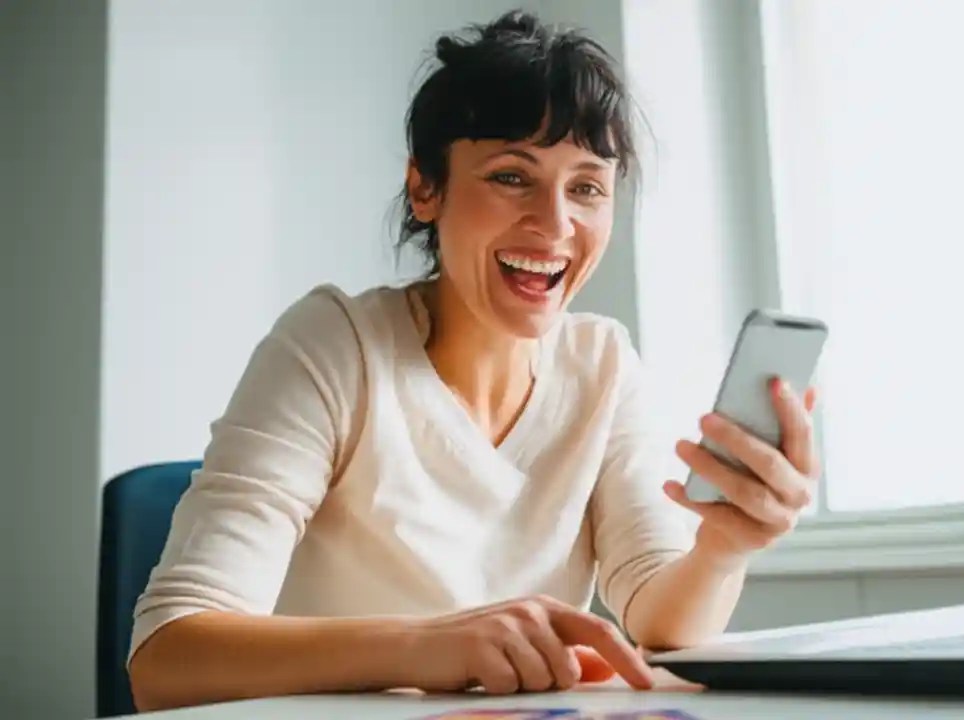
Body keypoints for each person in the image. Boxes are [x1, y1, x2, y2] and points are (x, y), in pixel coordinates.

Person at [126, 10, 819, 711]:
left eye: (586, 187)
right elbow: (167, 656)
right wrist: (429, 646)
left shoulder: (601, 362)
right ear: (426, 188)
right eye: (512, 176)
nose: (554, 225)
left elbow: (660, 618)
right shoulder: (334, 345)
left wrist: (724, 547)